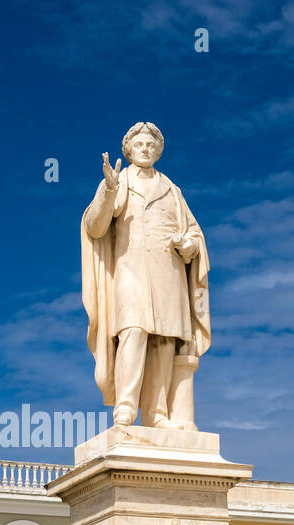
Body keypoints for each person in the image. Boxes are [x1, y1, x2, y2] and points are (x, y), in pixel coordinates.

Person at [82, 122, 212, 430]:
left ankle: (157, 414)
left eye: (151, 145)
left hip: (168, 274)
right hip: (131, 271)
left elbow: (194, 233)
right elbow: (95, 227)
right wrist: (110, 189)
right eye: (139, 144)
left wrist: (188, 244)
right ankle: (125, 410)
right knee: (134, 332)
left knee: (164, 341)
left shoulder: (172, 190)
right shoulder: (117, 181)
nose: (145, 149)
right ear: (128, 150)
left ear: (159, 151)